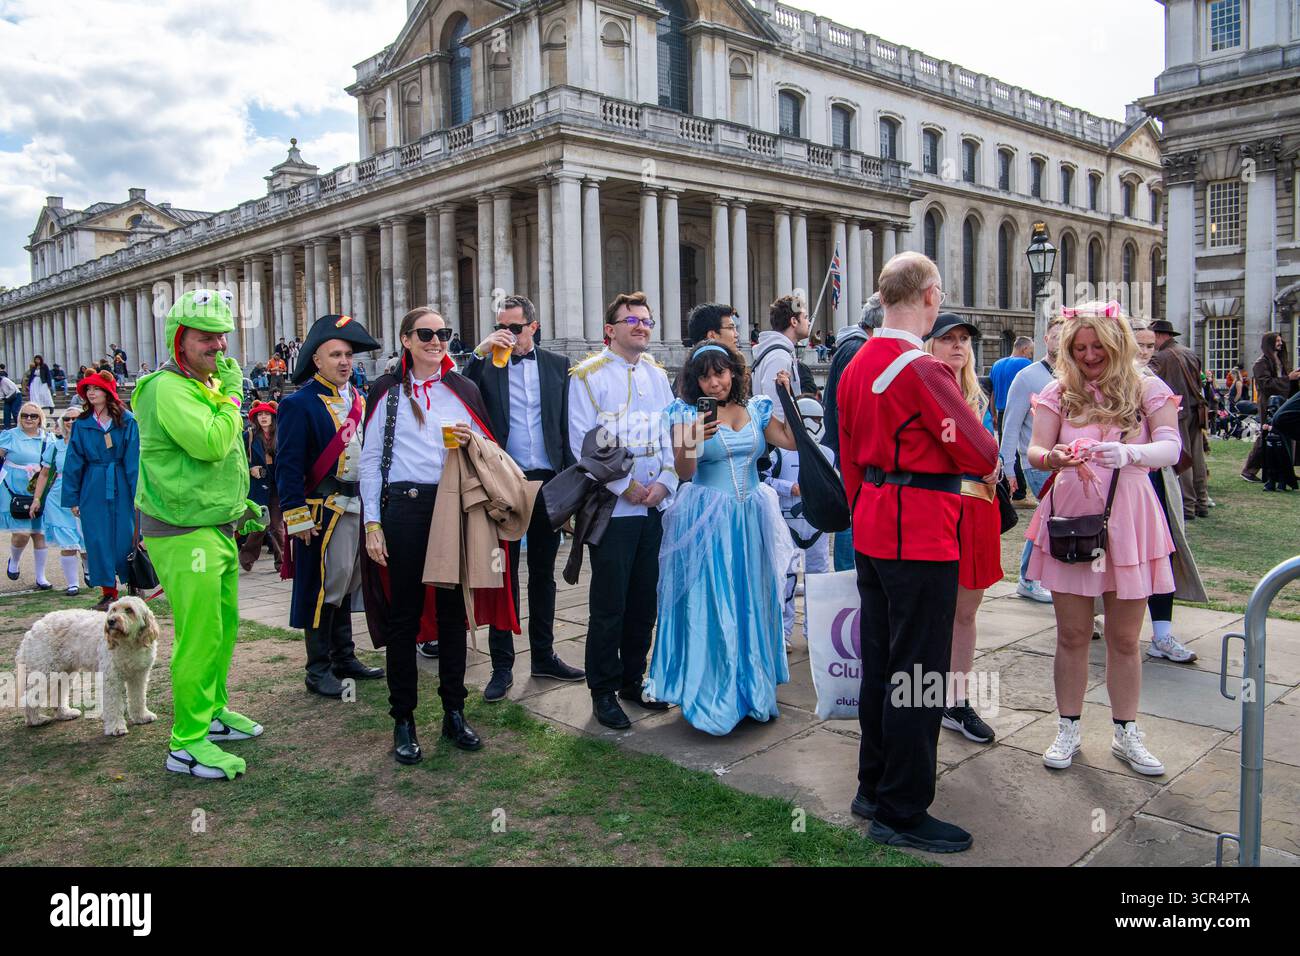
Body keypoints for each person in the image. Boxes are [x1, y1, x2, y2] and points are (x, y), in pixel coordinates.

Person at [836, 252, 999, 853]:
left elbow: (849, 453)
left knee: (881, 666)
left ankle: (873, 787)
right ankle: (902, 810)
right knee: (921, 676)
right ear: (930, 295)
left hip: (875, 528)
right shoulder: (922, 369)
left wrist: (865, 508)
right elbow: (981, 452)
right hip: (923, 532)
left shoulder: (854, 362)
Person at [1025, 301, 1181, 778]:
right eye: (1079, 347)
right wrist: (1057, 458)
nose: (1089, 355)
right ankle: (1067, 727)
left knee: (1124, 638)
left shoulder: (1147, 388)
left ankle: (1126, 732)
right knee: (1071, 634)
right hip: (1072, 517)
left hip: (1129, 517)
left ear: (1116, 344)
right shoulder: (1059, 391)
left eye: (1097, 346)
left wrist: (1127, 451)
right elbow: (1034, 451)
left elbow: (1171, 447)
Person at [360, 307, 516, 763]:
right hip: (403, 509)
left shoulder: (462, 389)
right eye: (426, 334)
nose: (436, 340)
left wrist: (474, 442)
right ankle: (403, 720)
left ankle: (454, 713)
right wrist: (372, 522)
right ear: (406, 340)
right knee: (404, 619)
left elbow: (493, 445)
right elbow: (370, 462)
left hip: (455, 508)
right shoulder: (386, 391)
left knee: (452, 616)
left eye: (443, 333)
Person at [133, 289, 269, 780]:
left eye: (221, 335)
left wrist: (242, 507)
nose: (217, 344)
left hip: (216, 525)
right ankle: (185, 742)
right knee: (198, 635)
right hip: (183, 530)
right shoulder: (165, 388)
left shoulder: (202, 383)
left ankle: (210, 714)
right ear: (179, 339)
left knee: (223, 628)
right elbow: (212, 444)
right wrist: (234, 397)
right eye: (205, 336)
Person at [651, 343, 798, 734]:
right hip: (708, 518)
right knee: (713, 602)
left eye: (720, 373)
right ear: (694, 380)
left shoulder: (756, 409)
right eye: (705, 376)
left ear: (734, 372)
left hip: (751, 517)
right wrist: (695, 437)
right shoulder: (684, 413)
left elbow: (792, 440)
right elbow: (684, 471)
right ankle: (714, 695)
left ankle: (752, 689)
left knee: (752, 596)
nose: (714, 383)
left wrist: (788, 394)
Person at [464, 295, 586, 701]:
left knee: (542, 574)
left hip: (548, 482)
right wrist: (481, 351)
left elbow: (569, 424)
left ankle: (544, 655)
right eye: (502, 326)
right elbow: (460, 389)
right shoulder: (487, 367)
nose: (508, 335)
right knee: (501, 574)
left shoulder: (556, 366)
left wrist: (574, 481)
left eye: (515, 328)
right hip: (503, 483)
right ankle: (501, 666)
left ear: (533, 327)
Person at [568, 292, 679, 729]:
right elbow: (584, 440)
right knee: (609, 603)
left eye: (647, 320)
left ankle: (634, 678)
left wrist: (666, 482)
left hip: (653, 506)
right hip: (611, 510)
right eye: (631, 319)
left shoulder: (658, 374)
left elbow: (673, 431)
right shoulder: (587, 376)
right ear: (609, 330)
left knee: (644, 601)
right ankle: (603, 689)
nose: (642, 326)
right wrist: (625, 485)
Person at [277, 314, 386, 699]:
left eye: (348, 355)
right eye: (335, 354)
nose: (344, 361)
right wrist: (296, 517)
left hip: (355, 505)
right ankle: (317, 668)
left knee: (346, 583)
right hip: (322, 510)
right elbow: (287, 467)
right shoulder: (298, 404)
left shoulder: (357, 398)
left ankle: (345, 657)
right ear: (316, 360)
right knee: (322, 588)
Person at [925, 314, 1002, 744]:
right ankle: (925, 696)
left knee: (966, 612)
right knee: (931, 610)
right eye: (948, 339)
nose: (958, 347)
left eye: (964, 340)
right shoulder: (923, 391)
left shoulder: (978, 395)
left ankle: (956, 699)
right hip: (939, 507)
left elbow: (989, 450)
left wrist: (995, 468)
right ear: (930, 345)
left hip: (978, 509)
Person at [1131, 320, 1207, 662]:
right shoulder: (1100, 383)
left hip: (1154, 479)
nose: (1146, 352)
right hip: (1115, 485)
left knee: (1162, 553)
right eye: (1140, 345)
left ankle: (1162, 634)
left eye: (1150, 346)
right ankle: (1091, 618)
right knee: (1110, 556)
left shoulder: (1154, 383)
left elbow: (1169, 443)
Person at [761, 394, 836, 648]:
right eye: (808, 419)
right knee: (787, 578)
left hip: (817, 525)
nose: (813, 424)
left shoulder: (828, 453)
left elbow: (837, 485)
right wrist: (788, 487)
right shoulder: (779, 452)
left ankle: (815, 633)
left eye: (817, 419)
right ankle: (783, 632)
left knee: (819, 580)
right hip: (788, 523)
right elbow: (763, 479)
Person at [61, 370, 139, 611]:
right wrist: (73, 498)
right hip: (93, 483)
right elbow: (73, 461)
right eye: (88, 390)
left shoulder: (127, 420)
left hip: (121, 481)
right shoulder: (83, 424)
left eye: (95, 388)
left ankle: (133, 585)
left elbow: (133, 459)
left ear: (108, 392)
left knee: (126, 535)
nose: (91, 393)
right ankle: (108, 592)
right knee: (96, 538)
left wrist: (138, 494)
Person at [999, 317, 1064, 605]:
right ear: (1045, 339)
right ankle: (1028, 577)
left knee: (1047, 517)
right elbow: (1010, 424)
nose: (1061, 341)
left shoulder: (1075, 375)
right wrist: (1008, 466)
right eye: (1055, 335)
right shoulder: (1028, 376)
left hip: (1065, 460)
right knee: (1050, 515)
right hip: (1035, 461)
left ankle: (1030, 577)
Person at [823, 295, 881, 571]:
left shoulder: (852, 346)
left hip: (845, 445)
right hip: (849, 448)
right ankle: (848, 574)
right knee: (852, 514)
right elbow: (847, 405)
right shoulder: (857, 350)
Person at [1147, 318, 1208, 519]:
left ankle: (1188, 506)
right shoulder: (1189, 352)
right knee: (1197, 458)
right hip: (1196, 409)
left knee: (1183, 458)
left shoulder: (1160, 357)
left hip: (1177, 411)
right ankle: (1202, 502)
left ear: (1158, 336)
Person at [1, 402, 56, 588]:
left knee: (39, 533)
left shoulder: (48, 439)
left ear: (40, 418)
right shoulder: (9, 436)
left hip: (38, 490)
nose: (29, 419)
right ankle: (14, 562)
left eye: (33, 415)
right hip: (12, 489)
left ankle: (41, 577)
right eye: (25, 415)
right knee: (21, 533)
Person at [1243, 332, 1300, 481]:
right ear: (1270, 343)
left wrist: (1293, 379)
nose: (1280, 344)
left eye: (1281, 341)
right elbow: (1266, 384)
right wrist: (1289, 378)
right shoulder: (1261, 363)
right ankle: (1249, 470)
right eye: (1277, 341)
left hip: (1283, 401)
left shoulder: (1280, 360)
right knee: (1267, 434)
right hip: (1268, 403)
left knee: (1287, 434)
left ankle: (1286, 471)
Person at [44, 409, 88, 596]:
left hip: (85, 493)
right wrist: (37, 499)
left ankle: (89, 570)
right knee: (68, 543)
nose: (71, 421)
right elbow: (45, 474)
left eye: (75, 418)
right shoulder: (55, 446)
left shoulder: (91, 443)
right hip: (59, 498)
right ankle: (73, 584)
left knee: (86, 541)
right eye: (67, 418)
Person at [239, 401, 283, 573]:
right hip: (258, 486)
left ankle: (283, 563)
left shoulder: (281, 434)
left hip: (277, 485)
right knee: (260, 525)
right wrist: (250, 469)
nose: (263, 417)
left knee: (277, 526)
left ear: (273, 417)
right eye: (260, 414)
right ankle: (246, 557)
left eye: (267, 414)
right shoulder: (248, 436)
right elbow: (239, 459)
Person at [753, 294, 811, 423]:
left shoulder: (780, 353)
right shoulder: (779, 356)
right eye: (806, 317)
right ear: (794, 321)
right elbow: (775, 405)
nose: (809, 322)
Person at [990, 337, 1034, 498]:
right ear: (1024, 349)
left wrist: (993, 412)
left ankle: (1009, 486)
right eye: (1030, 351)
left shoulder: (997, 364)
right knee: (1022, 450)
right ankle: (1020, 491)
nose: (1031, 355)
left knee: (1006, 450)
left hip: (1001, 411)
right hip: (1022, 411)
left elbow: (992, 392)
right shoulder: (1026, 365)